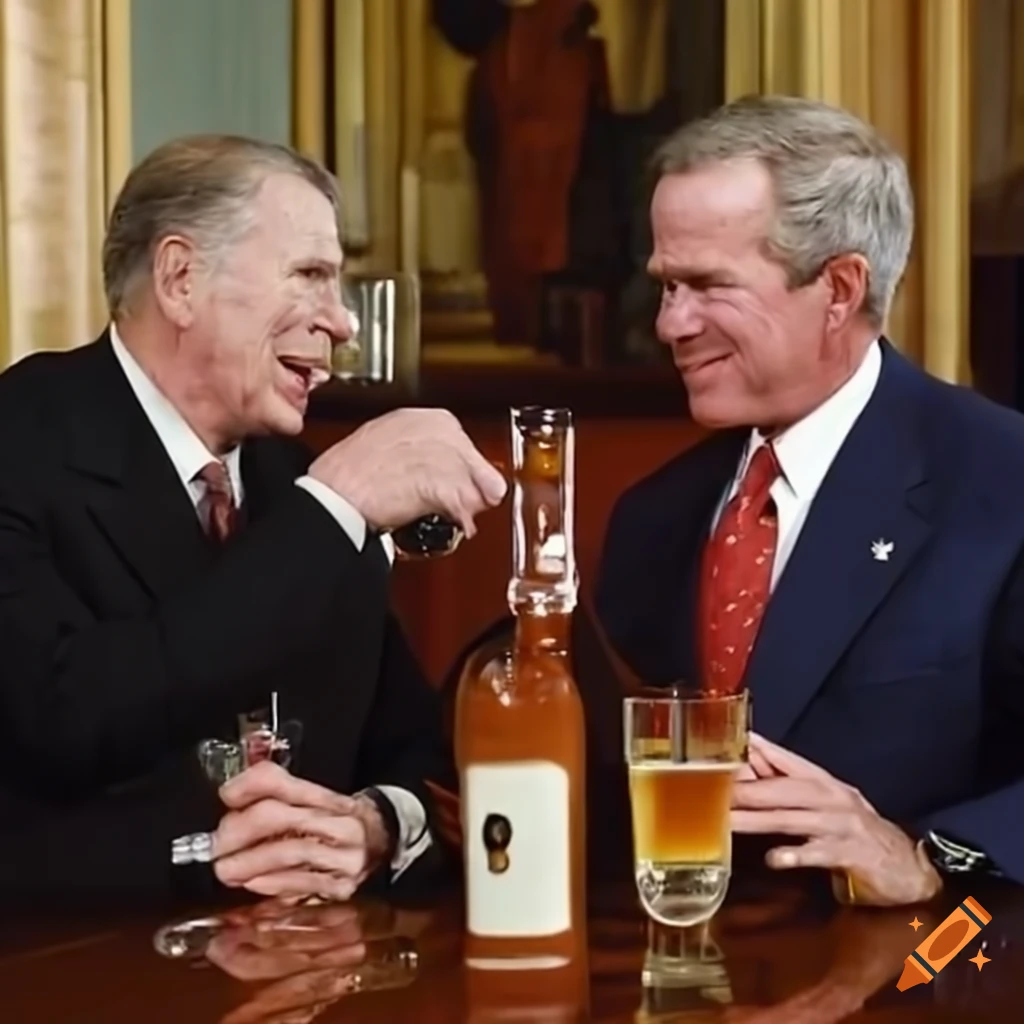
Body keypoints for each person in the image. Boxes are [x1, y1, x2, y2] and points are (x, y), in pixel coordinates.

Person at [0, 134, 506, 909]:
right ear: (180, 279)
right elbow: (61, 721)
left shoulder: (300, 482)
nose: (342, 322)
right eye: (310, 276)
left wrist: (374, 827)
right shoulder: (24, 443)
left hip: (314, 963)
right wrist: (329, 512)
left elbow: (415, 760)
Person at [596, 95, 1024, 904]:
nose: (670, 324)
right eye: (666, 286)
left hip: (933, 963)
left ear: (838, 289)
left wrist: (925, 855)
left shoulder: (1003, 483)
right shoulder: (653, 517)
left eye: (708, 285)